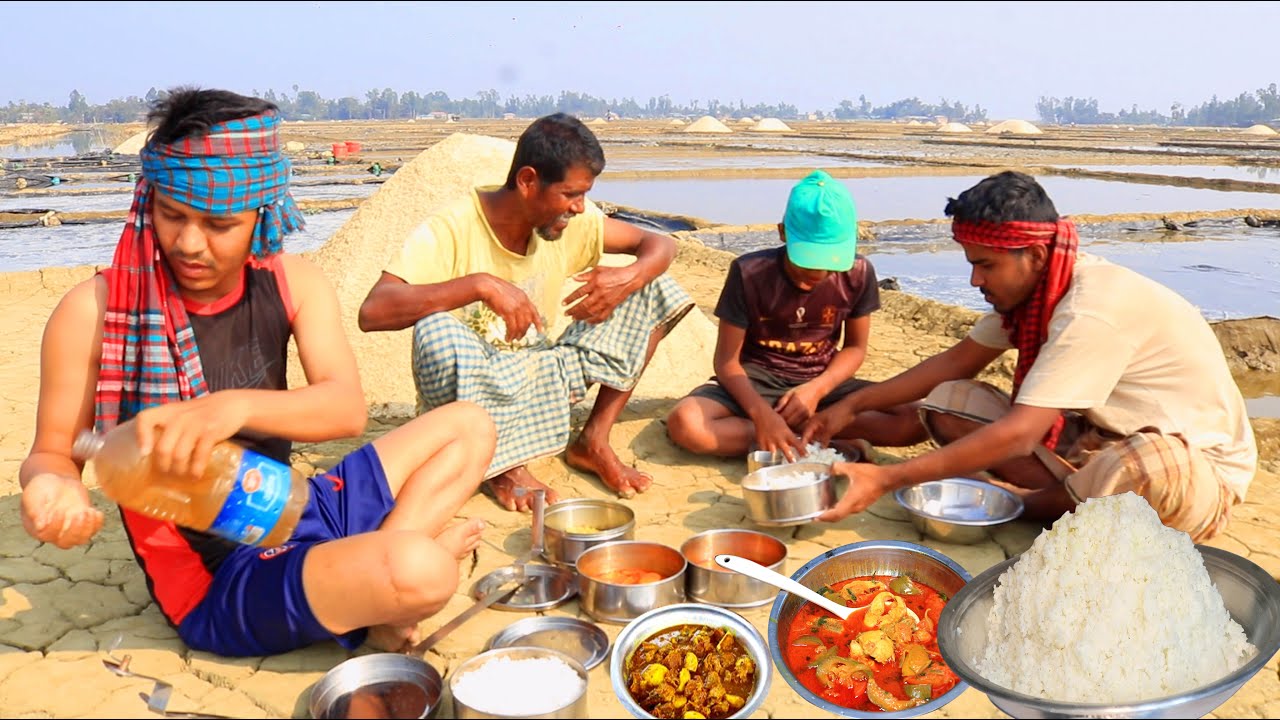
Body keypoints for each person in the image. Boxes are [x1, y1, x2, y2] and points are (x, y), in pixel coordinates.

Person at [18, 87, 496, 658]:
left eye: (218, 224)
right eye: (171, 216)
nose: (189, 244)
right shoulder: (95, 311)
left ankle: (374, 577)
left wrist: (233, 407)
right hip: (218, 579)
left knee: (470, 425)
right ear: (151, 201)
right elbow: (53, 452)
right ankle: (382, 578)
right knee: (423, 570)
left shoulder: (294, 282)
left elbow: (345, 409)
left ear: (261, 213)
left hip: (287, 503)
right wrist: (52, 488)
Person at [802, 170, 1256, 542]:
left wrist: (889, 478)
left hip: (1192, 474)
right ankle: (1055, 500)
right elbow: (956, 362)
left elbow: (1020, 435)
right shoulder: (1033, 296)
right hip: (1093, 446)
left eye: (986, 265)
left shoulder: (1091, 309)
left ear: (1035, 255)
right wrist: (853, 404)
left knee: (1152, 465)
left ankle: (1017, 502)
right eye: (971, 263)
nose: (975, 281)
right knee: (952, 399)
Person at [358, 113, 694, 512]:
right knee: (435, 331)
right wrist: (479, 285)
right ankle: (503, 467)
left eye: (584, 194)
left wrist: (629, 277)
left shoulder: (573, 223)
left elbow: (660, 245)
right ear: (528, 181)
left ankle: (593, 441)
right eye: (570, 194)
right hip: (473, 393)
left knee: (653, 285)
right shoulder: (453, 226)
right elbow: (374, 311)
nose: (580, 207)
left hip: (542, 378)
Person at [665, 170, 924, 461]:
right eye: (806, 264)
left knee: (917, 418)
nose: (818, 275)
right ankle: (813, 440)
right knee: (686, 424)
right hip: (756, 382)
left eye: (829, 265)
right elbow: (727, 363)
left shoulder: (859, 273)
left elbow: (854, 348)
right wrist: (762, 416)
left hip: (821, 381)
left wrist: (815, 391)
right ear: (782, 232)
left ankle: (795, 434)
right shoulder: (750, 272)